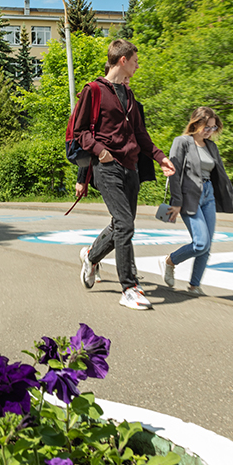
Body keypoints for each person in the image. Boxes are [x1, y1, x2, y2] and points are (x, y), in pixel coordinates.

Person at [75, 40, 175, 311]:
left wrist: (160, 157)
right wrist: (100, 152)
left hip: (131, 168)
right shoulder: (93, 90)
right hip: (107, 168)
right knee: (125, 223)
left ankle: (91, 256)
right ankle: (129, 288)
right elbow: (79, 131)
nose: (137, 65)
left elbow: (140, 134)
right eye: (135, 61)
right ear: (122, 61)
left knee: (122, 224)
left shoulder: (129, 96)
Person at [161, 107, 233, 296]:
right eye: (206, 127)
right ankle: (170, 261)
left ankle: (194, 285)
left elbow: (222, 176)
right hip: (188, 196)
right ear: (196, 123)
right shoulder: (182, 142)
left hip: (208, 195)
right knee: (201, 243)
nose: (209, 131)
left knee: (207, 244)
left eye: (213, 128)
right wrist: (176, 201)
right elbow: (174, 174)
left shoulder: (211, 147)